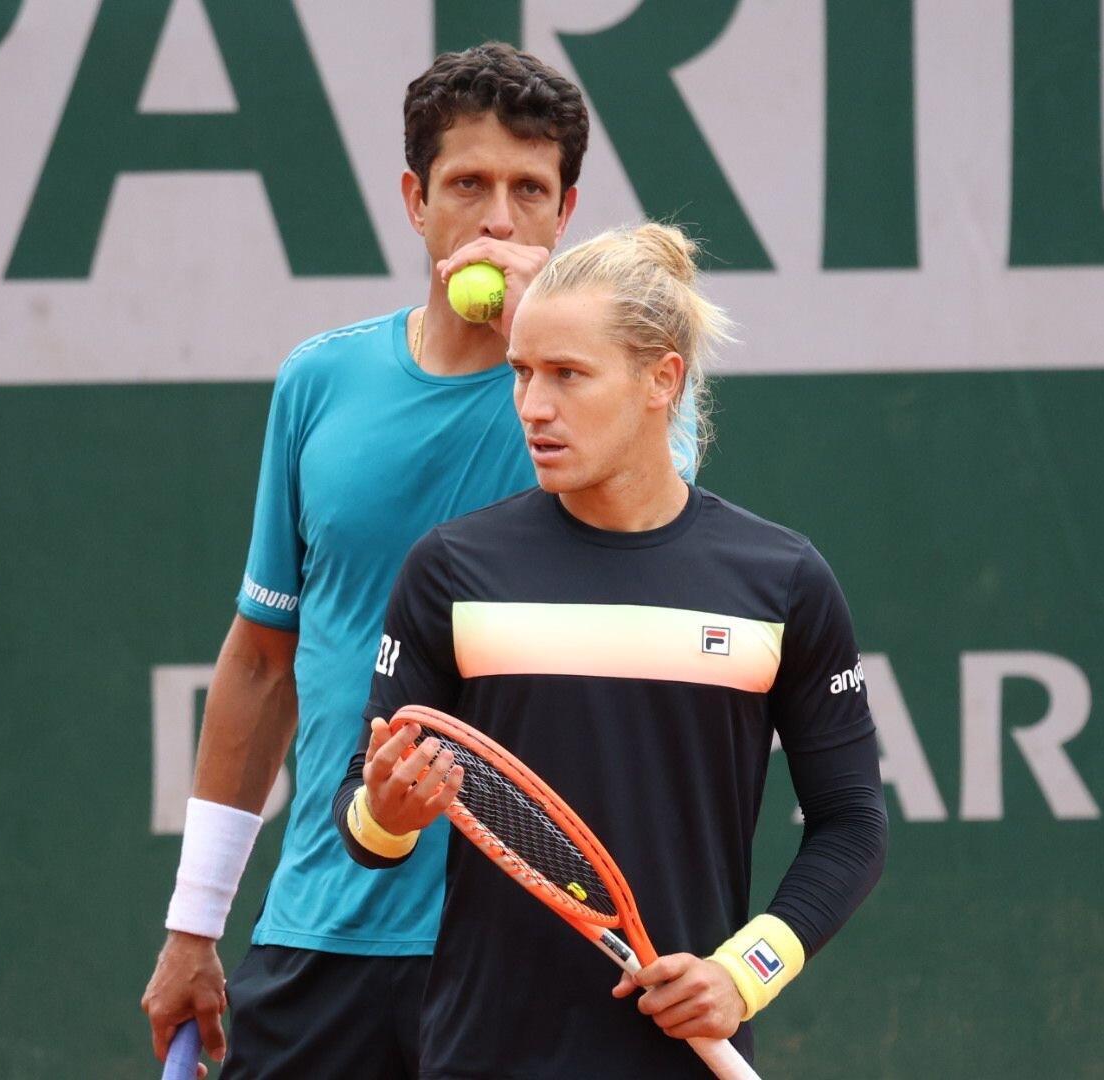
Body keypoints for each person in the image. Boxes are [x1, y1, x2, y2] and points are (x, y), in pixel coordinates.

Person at [141, 43, 695, 1079]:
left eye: (530, 190)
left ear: (566, 211)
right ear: (415, 199)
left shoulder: (608, 398)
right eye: (468, 185)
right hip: (325, 927)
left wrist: (549, 329)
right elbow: (263, 662)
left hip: (528, 939)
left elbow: (655, 544)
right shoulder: (320, 382)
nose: (499, 219)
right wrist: (193, 924)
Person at [335, 223, 889, 1078]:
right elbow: (364, 821)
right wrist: (390, 814)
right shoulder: (451, 570)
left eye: (568, 375)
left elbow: (853, 825)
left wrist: (745, 973)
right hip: (485, 1057)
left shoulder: (782, 582)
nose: (533, 406)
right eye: (522, 372)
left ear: (660, 379)